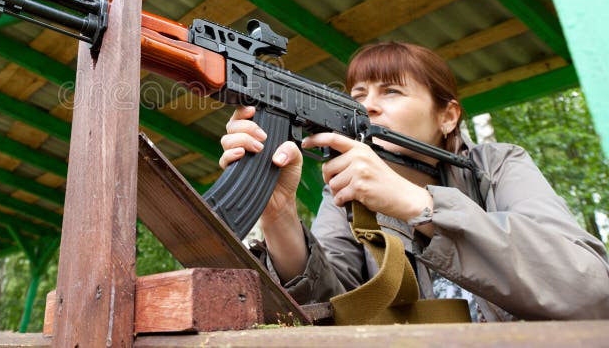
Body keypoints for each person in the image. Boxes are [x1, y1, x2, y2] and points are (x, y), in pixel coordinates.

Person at [219, 41, 609, 321]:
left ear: (448, 116)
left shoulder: (498, 165)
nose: (367, 105)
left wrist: (420, 206)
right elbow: (330, 312)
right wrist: (279, 216)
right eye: (358, 93)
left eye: (391, 91)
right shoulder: (344, 189)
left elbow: (588, 288)